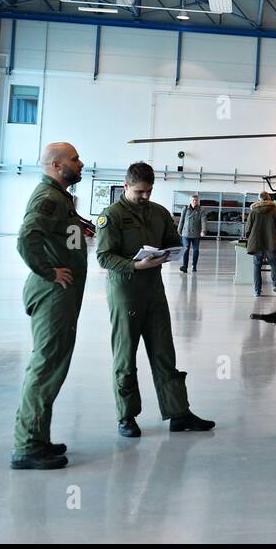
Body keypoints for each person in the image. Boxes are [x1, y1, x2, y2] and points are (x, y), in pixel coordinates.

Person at [96, 162, 215, 437]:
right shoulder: (111, 216)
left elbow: (174, 241)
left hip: (154, 289)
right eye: (139, 192)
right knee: (125, 354)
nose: (145, 196)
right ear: (126, 186)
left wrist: (168, 252)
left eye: (149, 191)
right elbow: (103, 256)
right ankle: (126, 416)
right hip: (125, 291)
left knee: (164, 351)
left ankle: (178, 412)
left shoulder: (159, 213)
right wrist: (134, 266)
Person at [12, 142, 92, 470]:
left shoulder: (61, 198)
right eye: (75, 159)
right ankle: (28, 446)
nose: (81, 162)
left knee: (53, 365)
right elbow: (26, 238)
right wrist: (49, 271)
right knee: (45, 366)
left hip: (61, 296)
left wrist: (79, 226)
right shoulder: (48, 197)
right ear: (57, 166)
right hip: (52, 294)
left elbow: (60, 230)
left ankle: (39, 437)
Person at [244, 191, 276, 298]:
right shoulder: (275, 211)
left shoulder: (253, 212)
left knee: (257, 266)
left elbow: (248, 229)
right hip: (271, 242)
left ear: (259, 199)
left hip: (257, 243)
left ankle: (257, 290)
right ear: (269, 199)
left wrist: (248, 237)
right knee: (273, 264)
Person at [177, 194, 203, 273]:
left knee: (196, 250)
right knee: (186, 249)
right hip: (186, 233)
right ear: (190, 201)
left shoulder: (201, 210)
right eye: (193, 200)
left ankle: (194, 266)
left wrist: (203, 230)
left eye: (196, 200)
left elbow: (204, 221)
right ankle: (185, 266)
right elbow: (181, 220)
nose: (195, 202)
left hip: (196, 233)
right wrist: (179, 230)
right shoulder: (185, 209)